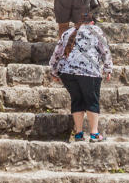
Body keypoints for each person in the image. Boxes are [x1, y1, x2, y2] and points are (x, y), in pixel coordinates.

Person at [47, 9, 114, 143]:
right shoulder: (95, 30)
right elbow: (105, 50)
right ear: (92, 22)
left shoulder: (68, 32)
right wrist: (108, 69)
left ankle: (79, 134)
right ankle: (94, 134)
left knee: (77, 100)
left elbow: (57, 53)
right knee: (92, 100)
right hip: (89, 71)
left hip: (67, 72)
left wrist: (54, 71)